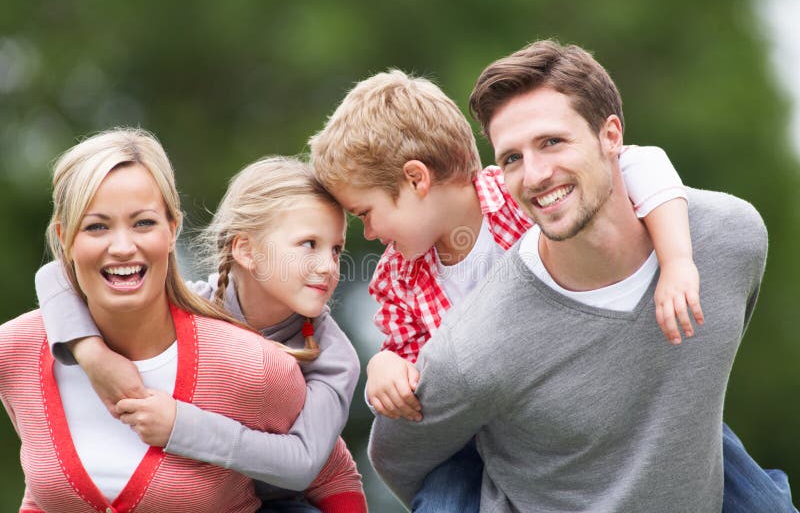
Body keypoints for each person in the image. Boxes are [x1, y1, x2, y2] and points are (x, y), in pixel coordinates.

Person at [365, 40, 794, 512]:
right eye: (511, 158)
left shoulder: (730, 238)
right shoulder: (471, 346)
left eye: (552, 142)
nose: (534, 175)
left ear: (612, 136)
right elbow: (401, 455)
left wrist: (677, 262)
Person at [308, 69, 700, 511]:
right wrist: (385, 365)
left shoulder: (521, 191)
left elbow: (638, 163)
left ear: (417, 179)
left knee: (722, 462)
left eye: (367, 212)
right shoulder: (396, 278)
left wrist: (676, 261)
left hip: (601, 387)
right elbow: (416, 363)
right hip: (495, 432)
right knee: (442, 495)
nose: (371, 232)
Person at [34, 156, 368, 512]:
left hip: (288, 501)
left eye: (336, 249)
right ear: (246, 251)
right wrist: (91, 354)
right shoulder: (192, 306)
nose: (328, 266)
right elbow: (54, 274)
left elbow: (303, 464)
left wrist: (180, 426)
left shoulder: (334, 356)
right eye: (308, 245)